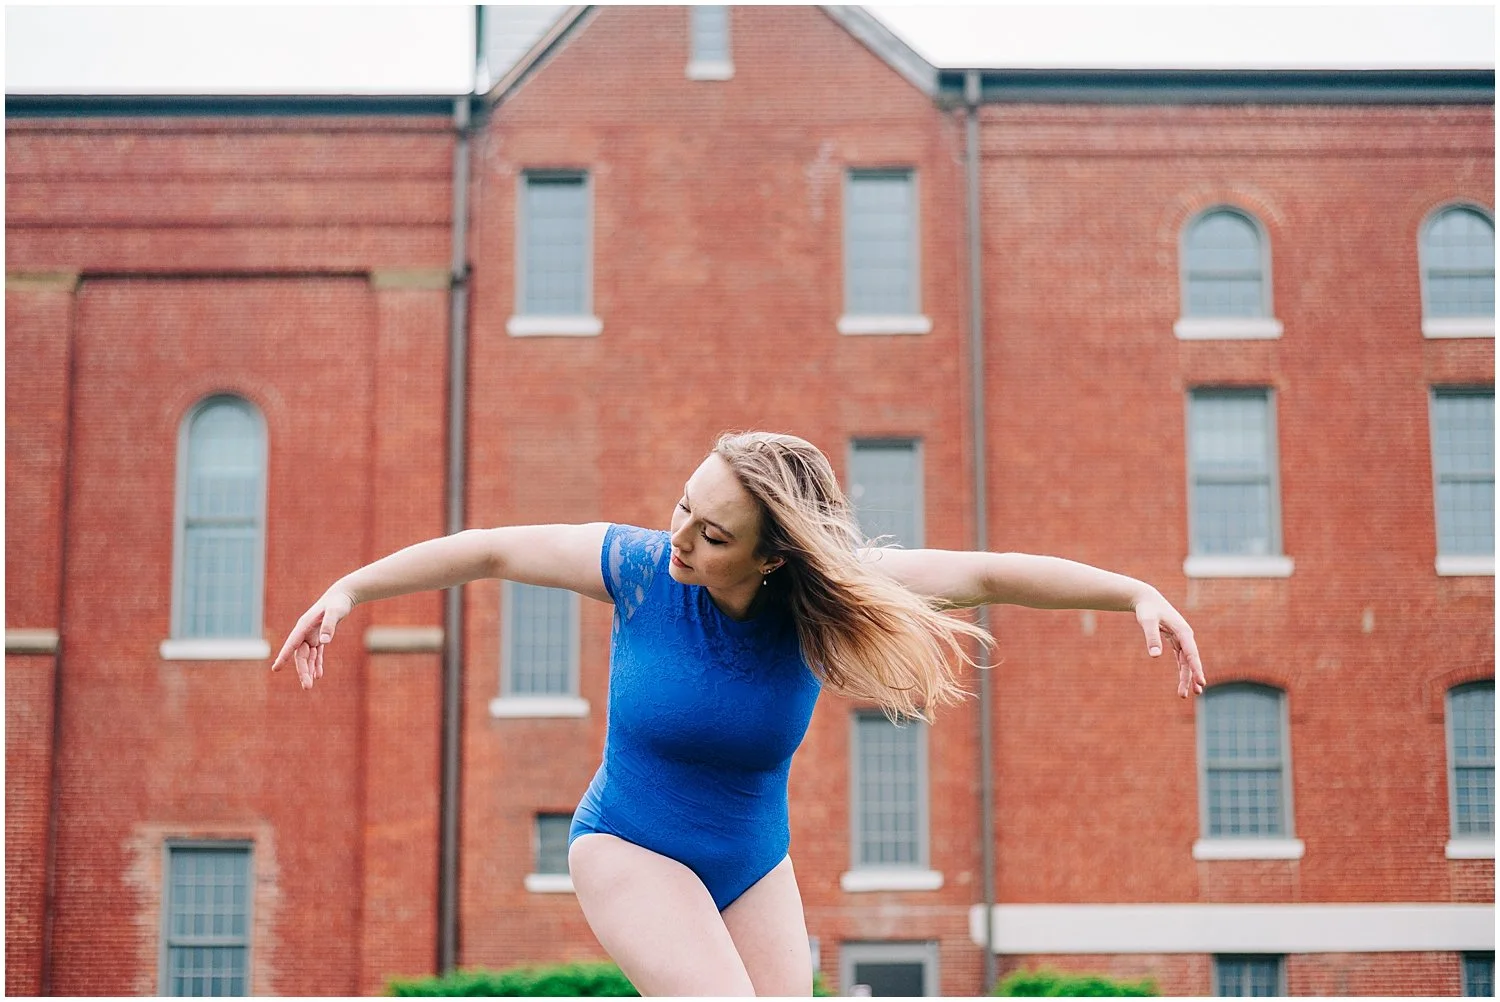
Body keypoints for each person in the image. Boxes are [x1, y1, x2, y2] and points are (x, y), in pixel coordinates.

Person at [273, 431, 1205, 997]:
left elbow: (991, 574)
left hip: (754, 864)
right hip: (629, 845)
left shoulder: (824, 592)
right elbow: (489, 551)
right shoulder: (638, 569)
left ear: (772, 558)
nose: (679, 537)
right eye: (683, 507)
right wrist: (349, 591)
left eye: (712, 533)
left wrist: (1134, 593)